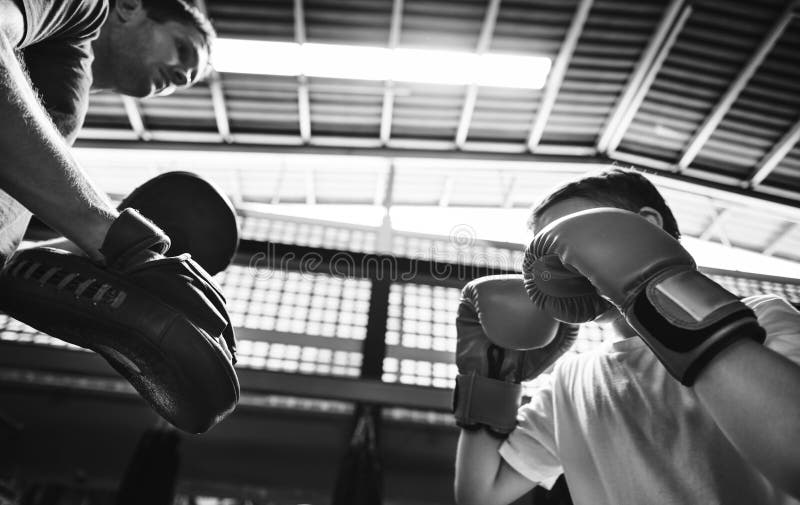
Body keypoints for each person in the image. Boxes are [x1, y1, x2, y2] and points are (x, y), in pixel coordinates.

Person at [453, 168, 800, 505]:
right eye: (544, 253)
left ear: (647, 225)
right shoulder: (571, 380)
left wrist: (662, 296)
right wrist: (491, 378)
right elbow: (481, 494)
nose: (559, 263)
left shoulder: (760, 318)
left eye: (572, 233)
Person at [0, 0, 215, 262]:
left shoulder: (59, 117)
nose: (181, 77)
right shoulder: (85, 6)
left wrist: (84, 251)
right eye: (182, 49)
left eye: (186, 80)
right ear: (129, 7)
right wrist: (109, 232)